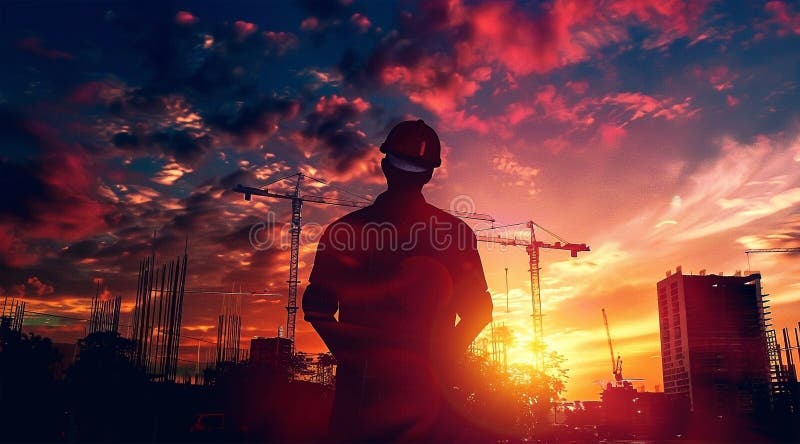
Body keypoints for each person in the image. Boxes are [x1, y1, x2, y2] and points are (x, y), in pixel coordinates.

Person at [302, 120, 493, 442]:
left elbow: (316, 307)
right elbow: (479, 310)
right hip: (429, 400)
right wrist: (441, 362)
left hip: (360, 402)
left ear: (385, 166)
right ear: (429, 174)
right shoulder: (454, 233)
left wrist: (355, 360)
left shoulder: (345, 230)